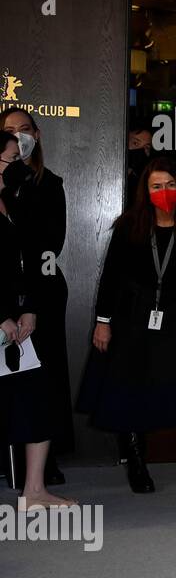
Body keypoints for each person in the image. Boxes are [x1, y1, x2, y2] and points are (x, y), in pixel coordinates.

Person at [78, 155, 176, 493]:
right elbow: (111, 277)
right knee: (130, 389)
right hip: (132, 318)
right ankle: (137, 464)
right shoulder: (129, 226)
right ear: (146, 190)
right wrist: (103, 322)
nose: (164, 191)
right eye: (156, 186)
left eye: (169, 185)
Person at [0, 130, 75, 509]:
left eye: (19, 158)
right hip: (3, 317)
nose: (16, 166)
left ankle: (34, 490)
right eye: (9, 159)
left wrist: (28, 307)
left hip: (25, 312)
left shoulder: (24, 199)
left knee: (37, 396)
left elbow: (36, 257)